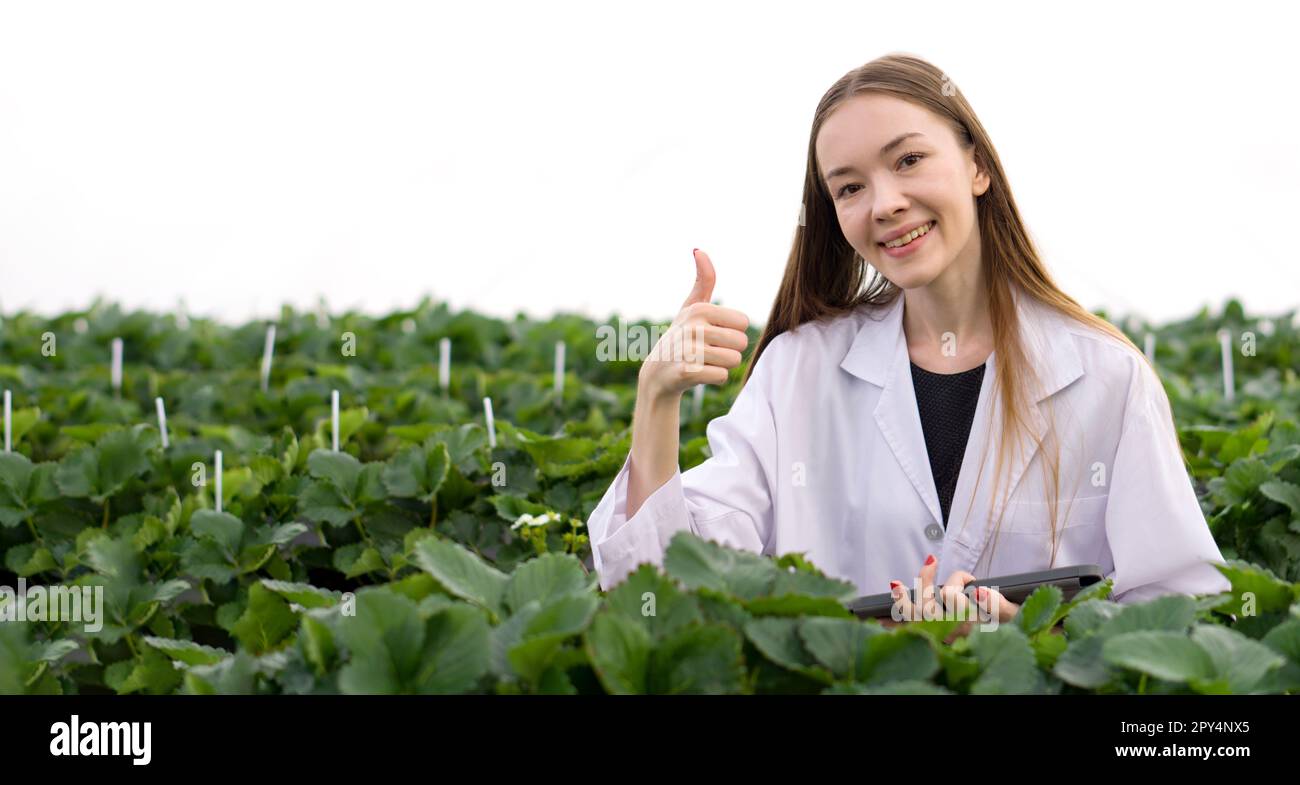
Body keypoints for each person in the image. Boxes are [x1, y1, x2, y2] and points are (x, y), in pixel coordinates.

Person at [585, 52, 1231, 625]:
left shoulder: (1108, 378)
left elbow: (1181, 607)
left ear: (977, 166)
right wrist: (656, 400)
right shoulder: (796, 373)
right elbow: (660, 592)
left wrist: (1040, 632)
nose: (885, 203)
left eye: (909, 160)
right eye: (850, 187)